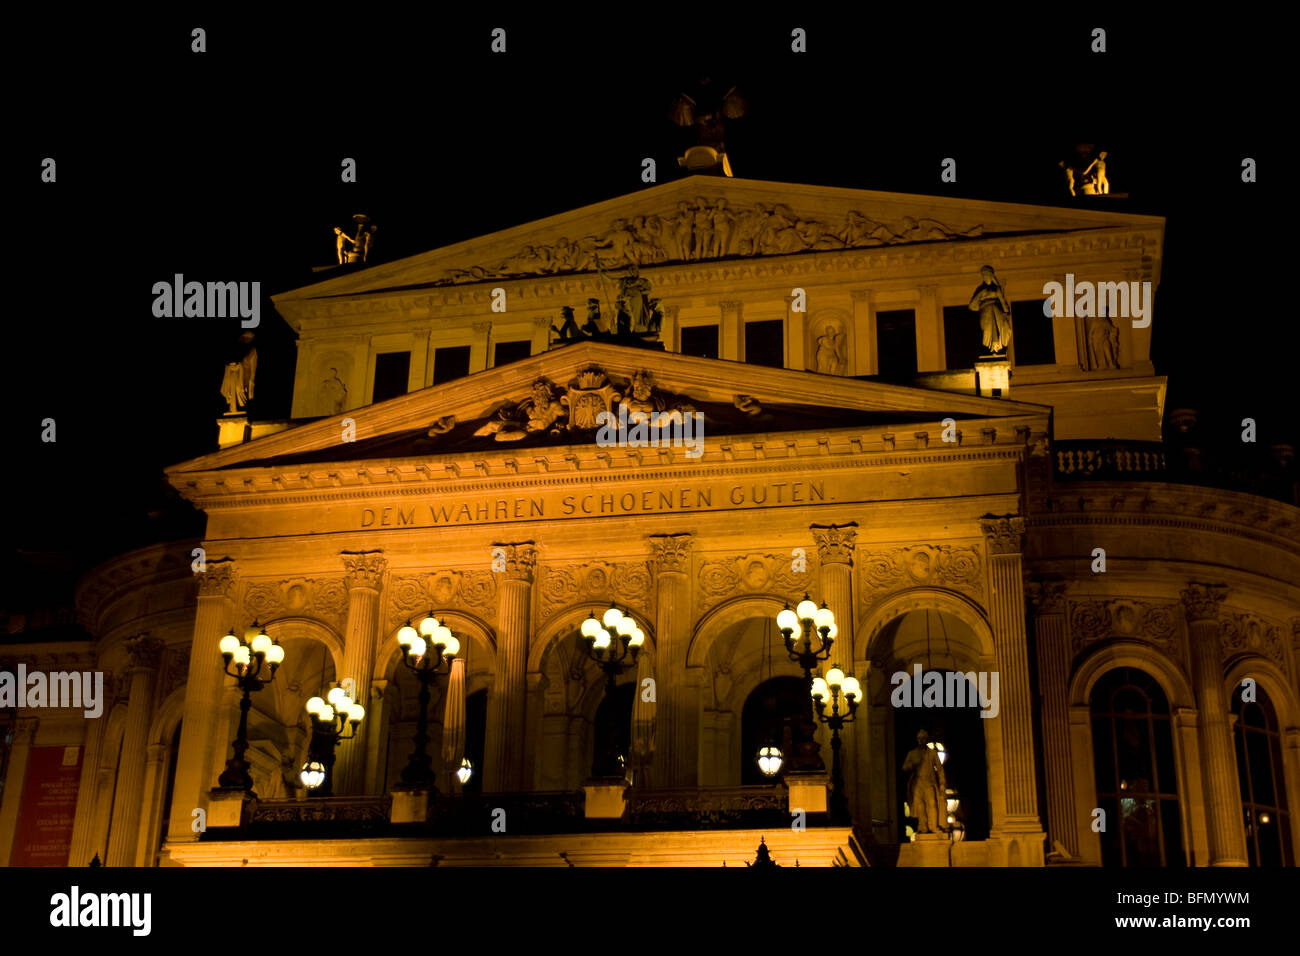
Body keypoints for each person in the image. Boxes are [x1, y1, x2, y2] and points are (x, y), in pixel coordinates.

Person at [902, 729, 947, 834]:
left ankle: (934, 826)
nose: (921, 740)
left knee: (932, 804)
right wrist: (912, 765)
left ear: (926, 740)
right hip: (917, 784)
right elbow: (904, 767)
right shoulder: (912, 754)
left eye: (923, 739)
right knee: (920, 807)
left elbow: (940, 769)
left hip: (929, 783)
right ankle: (923, 827)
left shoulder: (932, 753)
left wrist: (942, 783)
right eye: (919, 739)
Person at [969, 265, 1013, 354]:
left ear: (990, 275)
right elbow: (972, 306)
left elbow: (1003, 302)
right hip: (985, 312)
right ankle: (987, 350)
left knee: (1001, 330)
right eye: (983, 275)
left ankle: (996, 350)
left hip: (997, 312)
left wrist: (1006, 311)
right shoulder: (980, 289)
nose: (984, 277)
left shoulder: (996, 289)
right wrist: (980, 294)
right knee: (986, 332)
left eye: (985, 275)